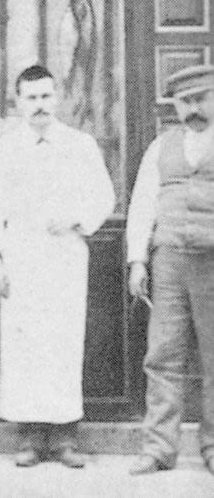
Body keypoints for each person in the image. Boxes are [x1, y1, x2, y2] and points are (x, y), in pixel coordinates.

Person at [0, 64, 114, 468]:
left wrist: (76, 218)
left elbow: (103, 196)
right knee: (23, 346)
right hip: (21, 258)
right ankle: (29, 437)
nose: (39, 105)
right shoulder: (3, 150)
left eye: (45, 96)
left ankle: (64, 437)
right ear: (19, 102)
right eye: (31, 98)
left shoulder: (80, 145)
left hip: (64, 257)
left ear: (57, 98)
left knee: (62, 344)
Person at [126, 62, 214, 476]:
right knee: (163, 355)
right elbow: (143, 204)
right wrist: (137, 260)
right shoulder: (161, 147)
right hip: (170, 262)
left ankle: (213, 448)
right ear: (175, 106)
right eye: (184, 101)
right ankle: (159, 448)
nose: (192, 108)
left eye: (201, 98)